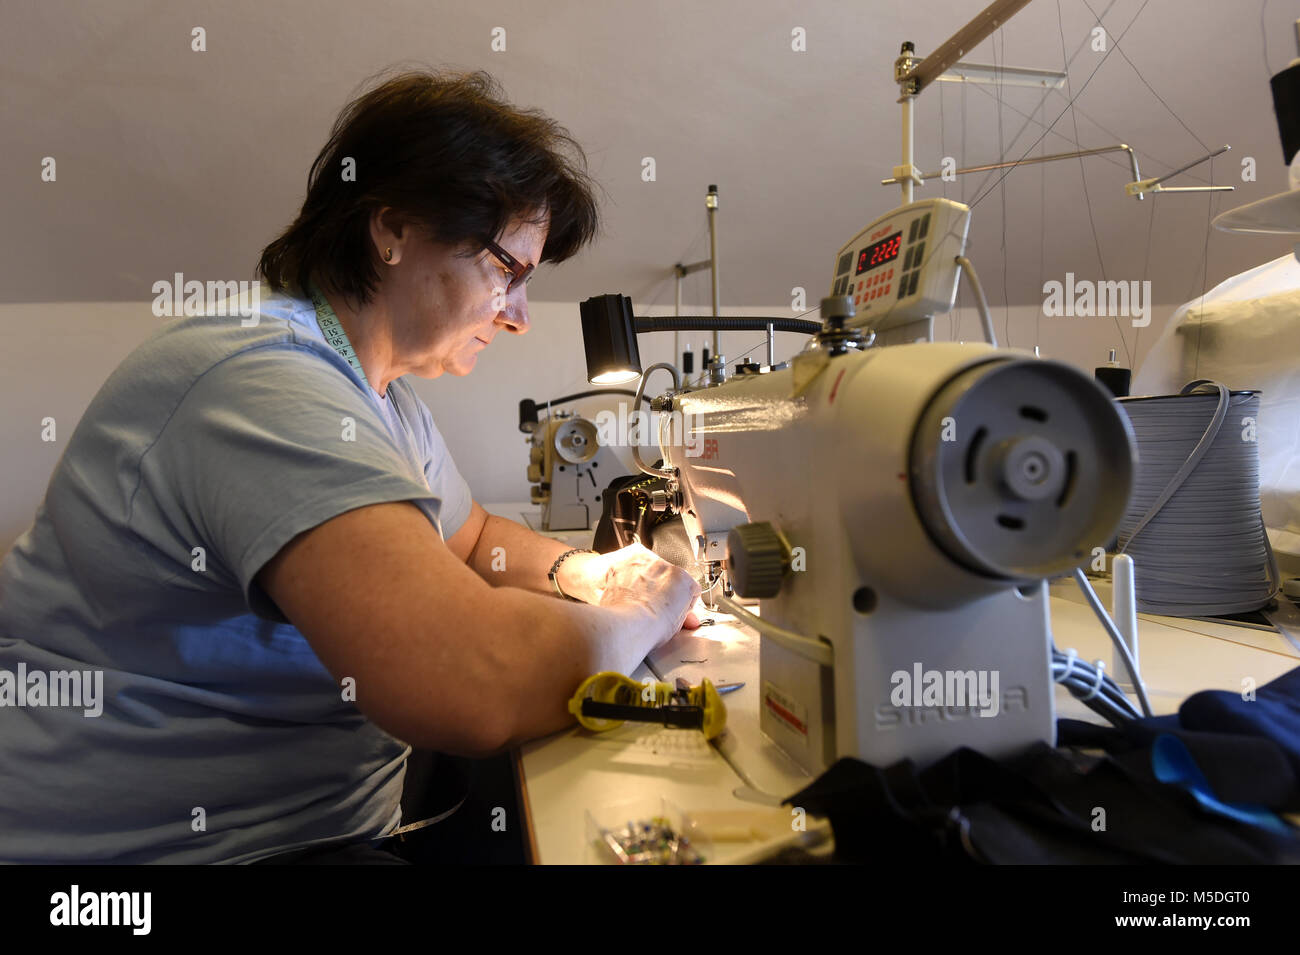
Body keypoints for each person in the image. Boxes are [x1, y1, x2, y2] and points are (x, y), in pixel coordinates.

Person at [0, 69, 701, 864]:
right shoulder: (261, 381)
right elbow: (470, 678)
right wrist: (652, 605)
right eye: (509, 271)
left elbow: (470, 542)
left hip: (317, 820)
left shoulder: (382, 396)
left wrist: (591, 572)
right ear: (393, 229)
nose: (517, 316)